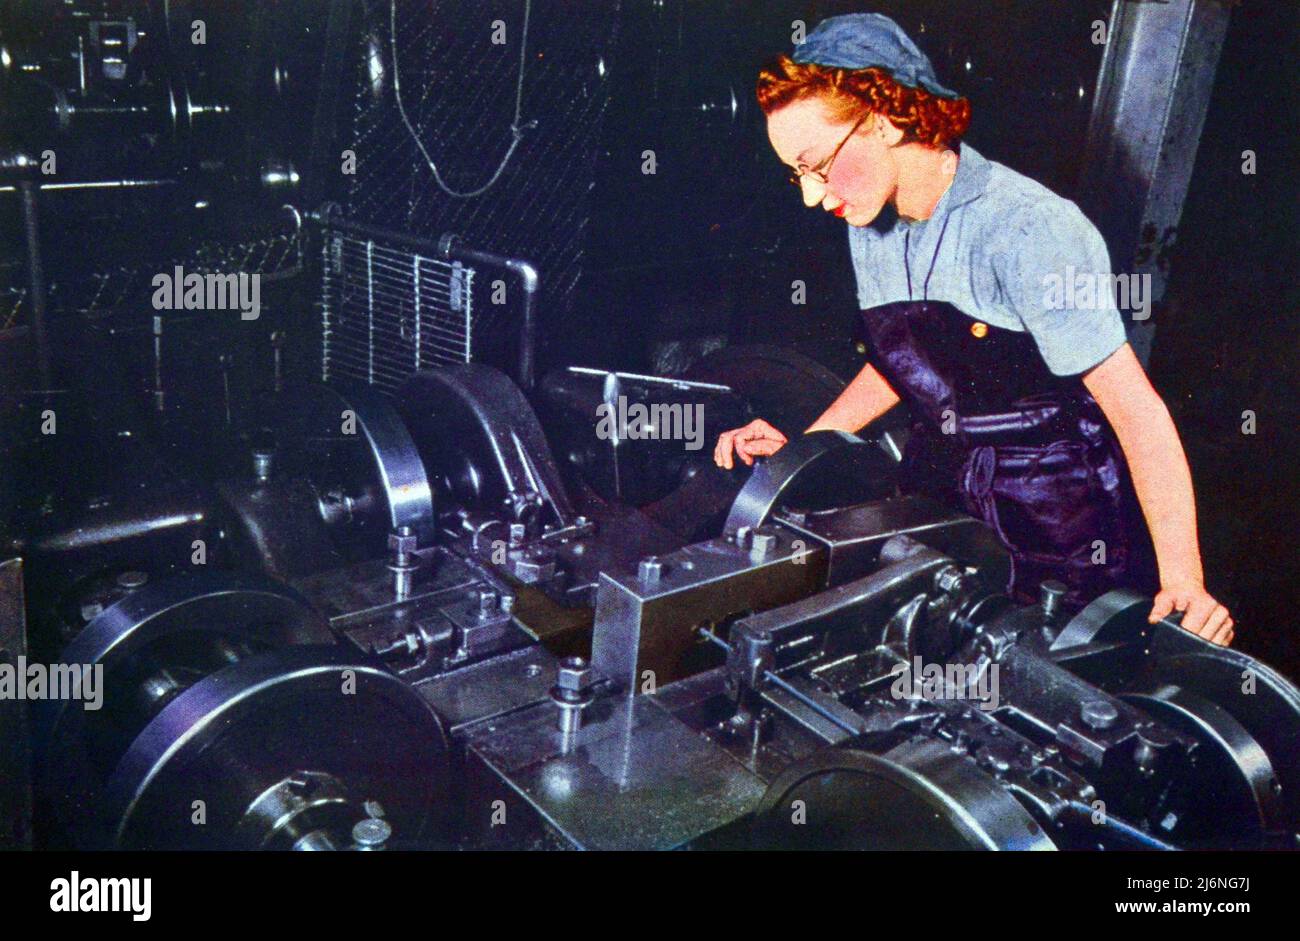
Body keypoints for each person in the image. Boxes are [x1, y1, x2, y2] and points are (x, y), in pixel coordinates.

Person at [713, 13, 1234, 645]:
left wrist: (1184, 580)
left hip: (1060, 525)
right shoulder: (869, 220)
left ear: (884, 118)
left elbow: (1136, 411)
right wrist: (808, 446)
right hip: (941, 501)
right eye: (797, 175)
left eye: (817, 164)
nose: (813, 196)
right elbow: (905, 360)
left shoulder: (1031, 231)